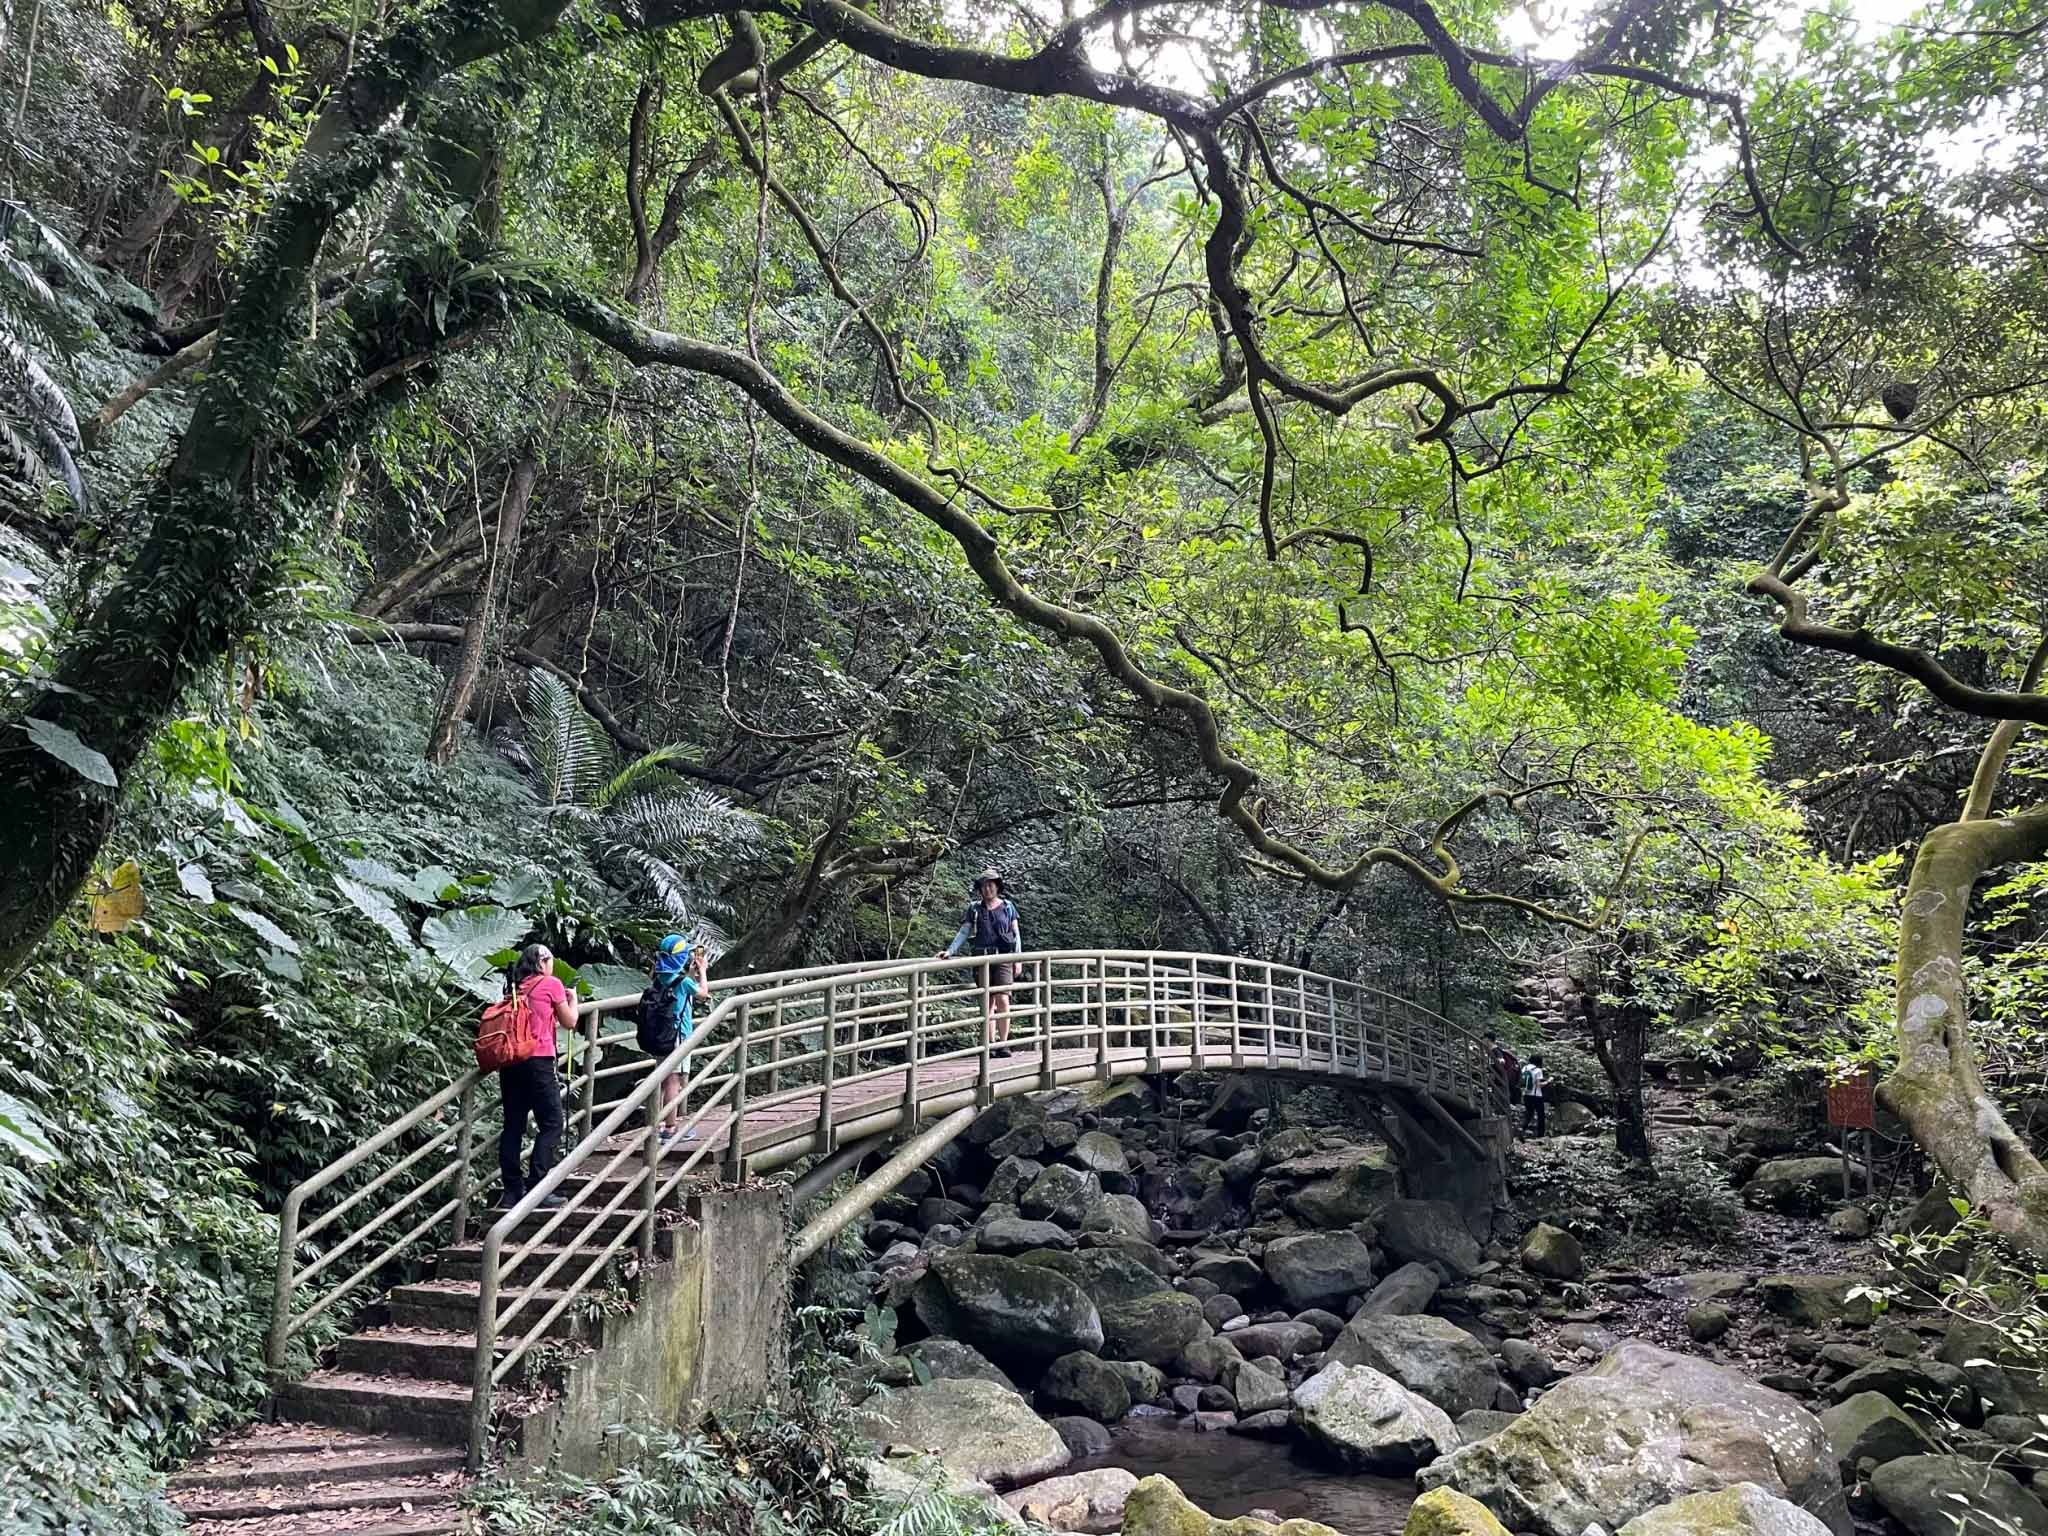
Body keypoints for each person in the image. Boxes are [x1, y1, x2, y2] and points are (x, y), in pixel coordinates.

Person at [501, 943, 575, 1209]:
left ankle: (512, 1190)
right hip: (539, 1062)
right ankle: (538, 1188)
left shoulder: (514, 987)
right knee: (552, 1123)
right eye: (551, 959)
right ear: (542, 962)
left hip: (511, 1062)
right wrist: (573, 1000)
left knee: (513, 1126)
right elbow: (570, 1021)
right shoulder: (551, 984)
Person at [937, 867, 1025, 1054]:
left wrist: (1018, 959)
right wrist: (950, 951)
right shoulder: (974, 909)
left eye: (991, 885)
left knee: (1003, 999)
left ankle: (1003, 1043)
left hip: (1003, 957)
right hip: (981, 957)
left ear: (997, 887)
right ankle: (989, 1044)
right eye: (984, 886)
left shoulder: (1008, 907)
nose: (987, 889)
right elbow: (964, 931)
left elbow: (1016, 934)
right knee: (987, 1002)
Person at [642, 933, 710, 1141]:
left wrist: (690, 973)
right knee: (673, 1083)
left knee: (664, 1080)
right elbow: (703, 994)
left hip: (661, 1037)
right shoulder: (684, 983)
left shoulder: (659, 979)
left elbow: (679, 985)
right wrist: (702, 972)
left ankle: (657, 1124)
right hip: (678, 1038)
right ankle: (670, 1128)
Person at [1487, 1031, 1521, 1116]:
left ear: (1488, 1039)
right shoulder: (1495, 1050)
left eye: (1483, 1038)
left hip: (1500, 1079)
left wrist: (1495, 1066)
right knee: (1501, 1098)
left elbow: (1502, 1061)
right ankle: (1504, 1114)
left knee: (1500, 1098)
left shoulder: (1495, 1050)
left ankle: (1503, 1115)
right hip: (1500, 1079)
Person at [1521, 1052, 1548, 1137]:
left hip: (1526, 1094)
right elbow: (1539, 1085)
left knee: (1529, 1114)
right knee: (1541, 1115)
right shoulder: (1538, 1070)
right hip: (1536, 1096)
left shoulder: (1524, 1068)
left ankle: (1521, 1130)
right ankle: (1540, 1135)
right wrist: (1548, 1081)